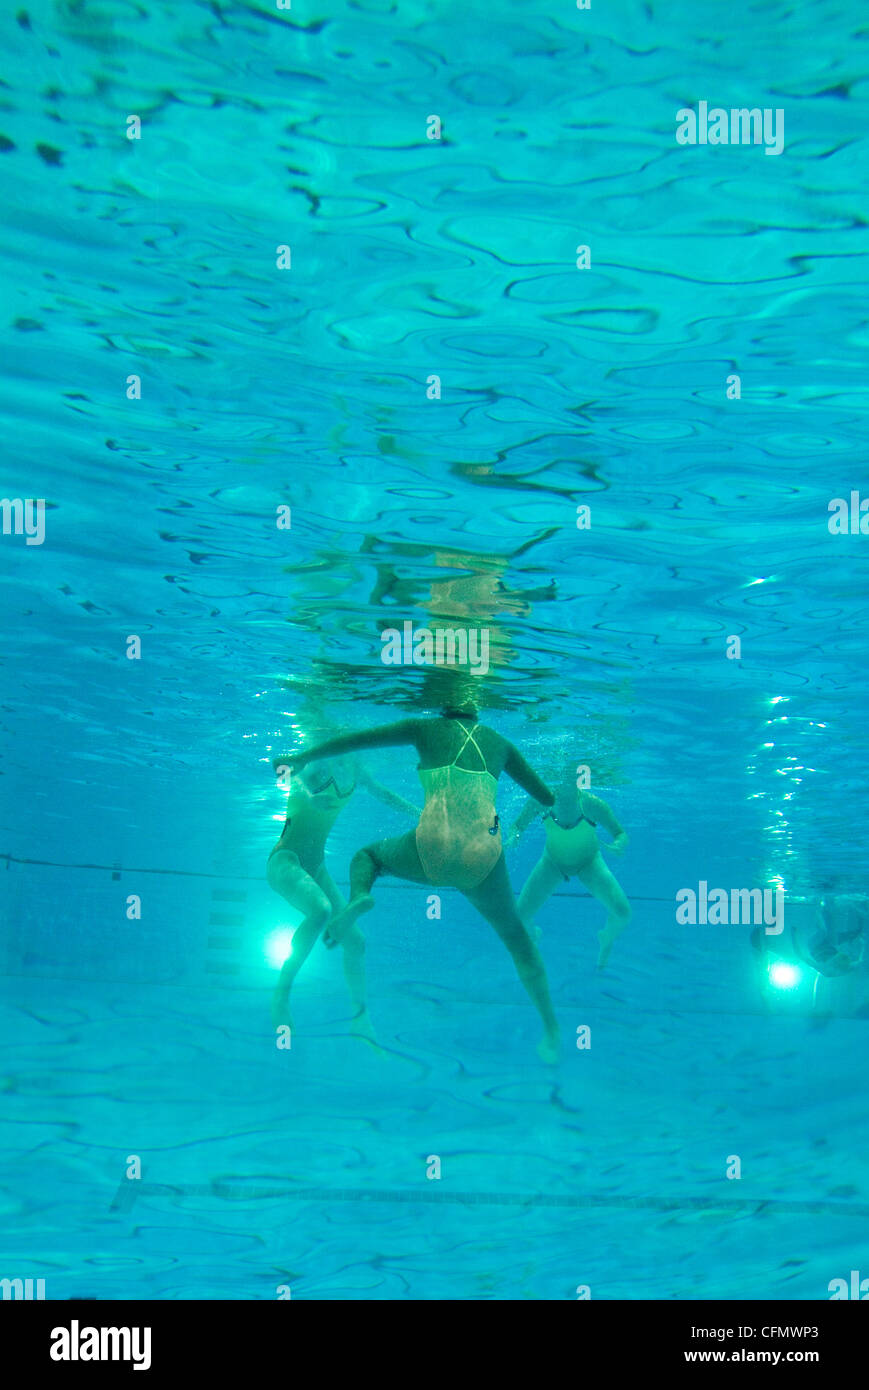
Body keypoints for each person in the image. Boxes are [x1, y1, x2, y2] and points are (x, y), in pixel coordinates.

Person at [280, 704, 562, 1062]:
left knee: (368, 857)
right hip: (485, 854)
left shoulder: (422, 728)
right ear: (476, 709)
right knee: (518, 940)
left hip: (432, 846)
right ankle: (551, 1030)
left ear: (444, 705)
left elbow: (355, 741)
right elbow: (547, 799)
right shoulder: (502, 744)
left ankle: (360, 898)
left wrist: (300, 756)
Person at [267, 749, 418, 1041]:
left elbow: (385, 795)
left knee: (356, 941)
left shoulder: (356, 767)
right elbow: (280, 768)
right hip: (285, 861)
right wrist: (309, 797)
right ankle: (280, 997)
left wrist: (422, 816)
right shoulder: (316, 760)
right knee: (321, 911)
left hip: (316, 867)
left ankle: (359, 1018)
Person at [508, 768, 631, 969]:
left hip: (590, 864)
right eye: (561, 775)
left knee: (623, 913)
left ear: (578, 778)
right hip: (552, 863)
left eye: (570, 776)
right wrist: (515, 837)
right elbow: (518, 826)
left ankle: (606, 938)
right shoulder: (540, 800)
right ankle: (534, 935)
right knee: (520, 918)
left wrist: (618, 844)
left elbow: (620, 833)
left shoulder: (592, 804)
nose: (564, 781)